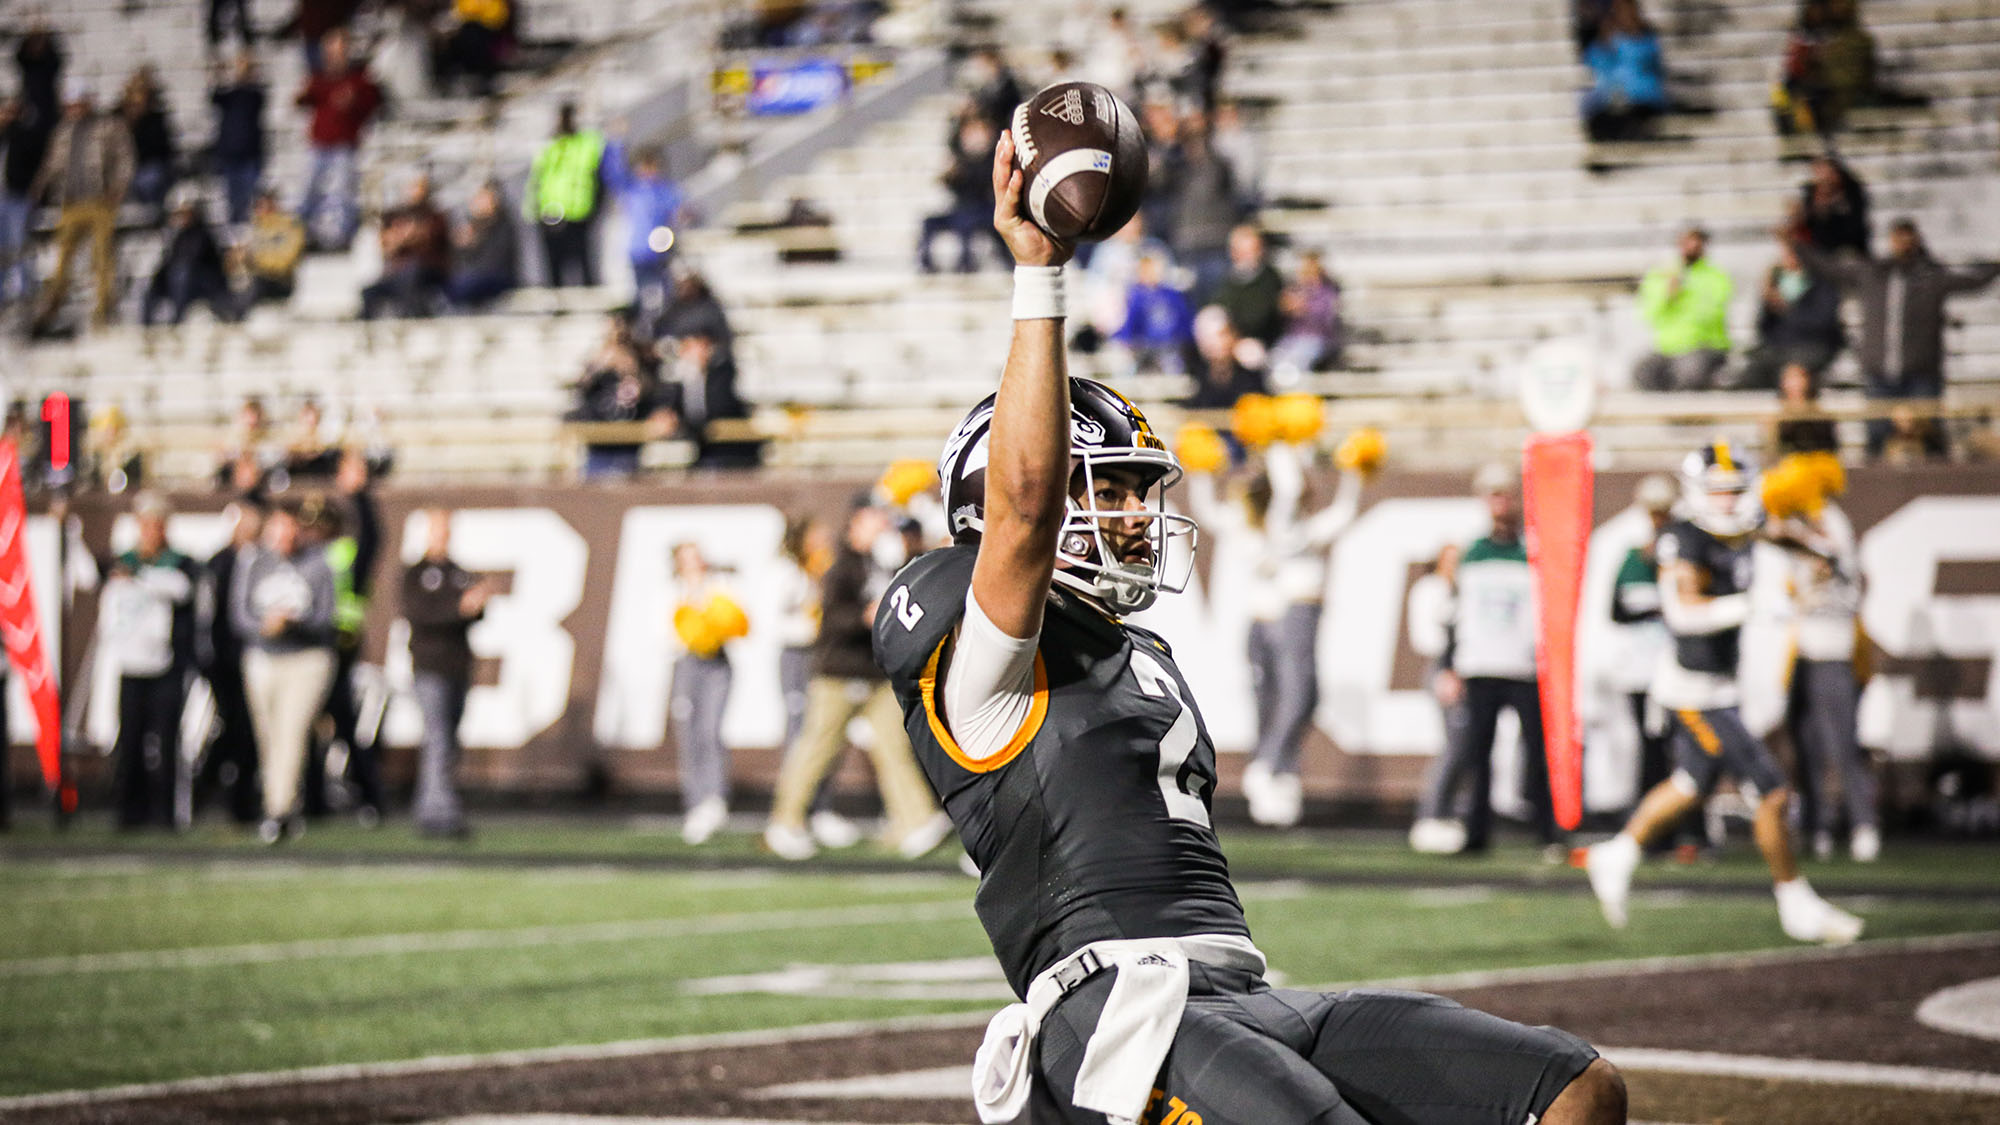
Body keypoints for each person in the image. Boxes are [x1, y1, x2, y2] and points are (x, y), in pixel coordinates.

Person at [873, 129, 1625, 1124]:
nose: (1139, 516)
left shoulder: (1137, 651)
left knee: (1572, 1090)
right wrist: (1040, 279)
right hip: (1113, 1015)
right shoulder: (982, 665)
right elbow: (1022, 509)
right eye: (1112, 493)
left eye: (1144, 492)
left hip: (1241, 993)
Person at [1585, 444, 1864, 945]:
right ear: (1696, 493)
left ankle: (1618, 853)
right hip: (1693, 691)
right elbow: (1684, 614)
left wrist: (1823, 555)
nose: (1729, 501)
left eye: (1735, 490)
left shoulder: (1745, 528)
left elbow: (1795, 541)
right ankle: (1794, 902)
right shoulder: (1682, 538)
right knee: (1773, 792)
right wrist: (1751, 605)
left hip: (1716, 686)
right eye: (1718, 491)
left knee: (1691, 785)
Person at [1188, 439, 1362, 828]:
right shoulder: (1261, 527)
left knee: (1296, 696)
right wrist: (1284, 449)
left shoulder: (1290, 526)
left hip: (1291, 614)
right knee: (1278, 699)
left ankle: (1275, 771)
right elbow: (1274, 499)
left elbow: (1336, 513)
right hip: (1273, 620)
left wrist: (1354, 475)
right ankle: (1268, 768)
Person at [764, 501, 950, 861]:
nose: (880, 526)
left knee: (894, 747)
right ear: (856, 525)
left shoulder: (883, 562)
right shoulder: (840, 565)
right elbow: (831, 620)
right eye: (872, 520)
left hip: (875, 674)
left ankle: (916, 820)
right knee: (817, 749)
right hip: (838, 672)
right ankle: (784, 822)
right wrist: (864, 616)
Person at [1789, 218, 2000, 459]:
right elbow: (1828, 268)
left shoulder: (1931, 276)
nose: (1903, 243)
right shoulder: (1873, 273)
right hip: (1879, 374)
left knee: (1929, 434)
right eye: (1898, 236)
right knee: (1876, 437)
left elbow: (1973, 280)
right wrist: (1798, 244)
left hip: (1921, 373)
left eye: (1908, 236)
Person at [1434, 463, 1559, 853]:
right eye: (1493, 495)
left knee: (1538, 753)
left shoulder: (1533, 550)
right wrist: (1449, 664)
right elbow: (1455, 615)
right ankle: (1477, 833)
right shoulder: (1470, 552)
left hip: (1525, 666)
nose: (1500, 503)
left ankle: (1548, 831)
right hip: (1481, 665)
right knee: (1478, 755)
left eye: (1505, 494)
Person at [1770, 490, 1878, 862]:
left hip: (1835, 659)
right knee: (1806, 750)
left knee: (1842, 746)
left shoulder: (1841, 565)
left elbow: (1843, 598)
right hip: (1801, 661)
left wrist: (1811, 591)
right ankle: (1817, 826)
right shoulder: (1798, 564)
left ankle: (1864, 825)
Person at [233, 500, 339, 843]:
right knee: (269, 737)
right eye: (279, 528)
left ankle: (278, 810)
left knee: (291, 734)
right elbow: (239, 616)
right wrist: (266, 626)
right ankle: (282, 805)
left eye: (291, 528)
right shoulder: (254, 563)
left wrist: (294, 623)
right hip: (263, 658)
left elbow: (327, 618)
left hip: (305, 658)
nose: (285, 535)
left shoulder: (319, 563)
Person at [1605, 475, 1691, 853]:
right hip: (1642, 670)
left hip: (1680, 669)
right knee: (1650, 751)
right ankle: (1651, 834)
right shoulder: (1633, 556)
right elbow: (1616, 611)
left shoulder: (1687, 552)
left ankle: (1688, 833)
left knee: (1684, 752)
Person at [103, 494, 196, 830]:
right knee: (130, 739)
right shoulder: (123, 561)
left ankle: (166, 813)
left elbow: (182, 590)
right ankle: (130, 811)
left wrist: (140, 575)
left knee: (167, 739)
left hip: (166, 663)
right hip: (132, 662)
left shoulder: (179, 562)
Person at [402, 508, 494, 838]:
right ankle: (439, 812)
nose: (441, 536)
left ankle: (432, 805)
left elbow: (474, 616)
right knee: (438, 739)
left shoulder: (459, 572)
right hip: (429, 667)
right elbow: (420, 615)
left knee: (448, 742)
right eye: (436, 530)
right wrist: (460, 609)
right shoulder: (416, 573)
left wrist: (478, 605)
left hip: (457, 666)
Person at [29, 80, 133, 334]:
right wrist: (39, 188)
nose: (74, 109)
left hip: (100, 202)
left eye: (78, 104)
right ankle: (52, 307)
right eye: (70, 105)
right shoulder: (63, 131)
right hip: (70, 203)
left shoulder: (108, 126)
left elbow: (125, 157)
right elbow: (52, 163)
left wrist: (118, 188)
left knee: (101, 257)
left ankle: (104, 309)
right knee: (62, 258)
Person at [667, 542, 745, 845]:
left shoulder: (720, 585)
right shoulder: (671, 591)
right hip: (686, 662)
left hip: (716, 661)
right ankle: (695, 800)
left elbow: (737, 622)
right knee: (689, 732)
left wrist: (710, 622)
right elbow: (665, 631)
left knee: (710, 729)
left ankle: (715, 798)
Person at [194, 500, 264, 825]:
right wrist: (207, 657)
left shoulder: (263, 560)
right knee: (232, 727)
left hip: (254, 658)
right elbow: (208, 616)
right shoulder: (219, 563)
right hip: (224, 660)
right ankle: (205, 787)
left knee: (249, 732)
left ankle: (241, 802)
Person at [295, 29, 382, 251]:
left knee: (343, 192)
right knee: (309, 189)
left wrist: (353, 100)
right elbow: (302, 101)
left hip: (345, 143)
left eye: (339, 48)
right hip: (320, 143)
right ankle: (300, 234)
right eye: (331, 49)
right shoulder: (319, 76)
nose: (335, 53)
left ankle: (342, 237)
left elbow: (372, 102)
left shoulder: (358, 78)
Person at [567, 315, 672, 479]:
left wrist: (630, 368)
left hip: (628, 449)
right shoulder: (597, 368)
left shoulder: (639, 366)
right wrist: (598, 367)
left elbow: (650, 394)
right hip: (599, 446)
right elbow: (581, 392)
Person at [1633, 226, 1732, 391]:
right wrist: (1668, 295)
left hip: (1704, 347)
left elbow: (1711, 314)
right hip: (1667, 349)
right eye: (1688, 241)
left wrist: (1685, 294)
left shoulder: (1716, 276)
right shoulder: (1661, 274)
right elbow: (1648, 313)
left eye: (1697, 241)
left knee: (1690, 372)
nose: (1692, 246)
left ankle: (1686, 413)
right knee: (1642, 371)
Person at [1740, 238, 1843, 390]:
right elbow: (1764, 330)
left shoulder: (1822, 287)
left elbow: (1822, 323)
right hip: (1780, 348)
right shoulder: (1778, 286)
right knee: (1751, 372)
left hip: (1813, 347)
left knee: (1793, 373)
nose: (1787, 261)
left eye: (1791, 256)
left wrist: (1788, 309)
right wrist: (1767, 305)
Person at [600, 137, 685, 317]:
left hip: (661, 251)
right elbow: (612, 173)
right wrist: (617, 142)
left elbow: (683, 209)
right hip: (638, 250)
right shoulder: (632, 189)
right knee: (639, 295)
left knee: (666, 295)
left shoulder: (665, 190)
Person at [525, 102, 604, 287]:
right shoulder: (550, 146)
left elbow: (598, 178)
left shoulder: (587, 144)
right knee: (554, 266)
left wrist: (594, 209)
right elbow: (537, 180)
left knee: (582, 261)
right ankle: (557, 305)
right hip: (551, 212)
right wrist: (535, 210)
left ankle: (588, 298)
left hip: (579, 212)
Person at [918, 111, 1005, 274]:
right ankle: (926, 263)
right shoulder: (960, 158)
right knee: (929, 222)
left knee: (966, 223)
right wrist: (948, 177)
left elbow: (985, 183)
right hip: (960, 210)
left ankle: (965, 264)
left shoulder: (992, 158)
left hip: (984, 210)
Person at [360, 175, 451, 319]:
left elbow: (426, 238)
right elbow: (385, 243)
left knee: (412, 274)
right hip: (399, 271)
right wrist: (402, 238)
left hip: (428, 270)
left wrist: (404, 237)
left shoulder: (435, 215)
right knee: (369, 291)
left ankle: (412, 319)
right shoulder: (396, 214)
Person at [141, 195, 241, 326]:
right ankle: (146, 324)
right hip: (179, 279)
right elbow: (170, 260)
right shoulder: (179, 236)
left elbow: (199, 261)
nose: (180, 218)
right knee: (155, 283)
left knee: (181, 274)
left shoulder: (204, 234)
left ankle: (178, 318)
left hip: (203, 281)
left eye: (184, 214)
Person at [1580, 0, 1665, 141]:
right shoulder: (1613, 38)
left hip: (1645, 100)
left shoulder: (1647, 38)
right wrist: (1603, 43)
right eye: (1619, 12)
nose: (1623, 15)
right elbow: (1596, 63)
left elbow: (1648, 63)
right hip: (1619, 101)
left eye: (1626, 11)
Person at [1111, 249, 1194, 375]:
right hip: (1142, 347)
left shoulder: (1172, 294)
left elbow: (1184, 321)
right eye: (1146, 269)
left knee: (1174, 367)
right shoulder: (1135, 295)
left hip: (1170, 346)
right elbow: (1130, 324)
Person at [209, 53, 267, 225]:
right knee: (232, 197)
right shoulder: (229, 96)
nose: (241, 73)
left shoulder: (254, 95)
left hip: (250, 153)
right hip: (230, 153)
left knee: (251, 196)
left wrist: (248, 74)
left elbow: (258, 98)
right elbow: (215, 97)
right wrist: (219, 75)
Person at [0, 94, 45, 308]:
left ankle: (24, 293)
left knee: (19, 246)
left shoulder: (24, 136)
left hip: (17, 198)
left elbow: (38, 165)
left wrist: (34, 191)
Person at [445, 181, 518, 310]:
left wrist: (475, 239)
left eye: (483, 198)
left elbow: (498, 257)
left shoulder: (504, 223)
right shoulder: (472, 224)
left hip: (497, 276)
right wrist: (462, 244)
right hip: (475, 275)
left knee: (466, 285)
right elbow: (461, 258)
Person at [1182, 305, 1267, 408]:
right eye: (1205, 337)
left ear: (1234, 334)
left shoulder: (1250, 371)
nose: (1212, 343)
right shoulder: (1195, 374)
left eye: (1220, 335)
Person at [1272, 249, 1342, 373]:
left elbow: (1327, 318)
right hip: (1292, 337)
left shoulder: (1327, 291)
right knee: (1275, 359)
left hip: (1317, 338)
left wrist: (1305, 308)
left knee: (1300, 360)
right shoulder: (1294, 288)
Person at [118, 68, 177, 214]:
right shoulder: (118, 117)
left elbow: (160, 147)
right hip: (124, 166)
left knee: (149, 180)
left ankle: (153, 216)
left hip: (147, 165)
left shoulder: (156, 119)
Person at [1792, 155, 1869, 256]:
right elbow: (1806, 223)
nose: (1823, 178)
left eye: (1826, 172)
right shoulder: (1812, 194)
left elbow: (1854, 224)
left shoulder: (1851, 193)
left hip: (1848, 249)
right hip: (1820, 250)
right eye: (1818, 172)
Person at [241, 188, 306, 305]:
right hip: (259, 280)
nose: (258, 209)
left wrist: (257, 261)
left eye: (261, 205)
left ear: (272, 204)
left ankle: (235, 315)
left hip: (281, 281)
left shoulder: (290, 226)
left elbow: (286, 260)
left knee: (253, 286)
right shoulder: (255, 228)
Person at [1771, 362, 1839, 456]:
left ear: (1808, 381)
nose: (1795, 383)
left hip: (1819, 463)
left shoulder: (1821, 415)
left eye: (1798, 378)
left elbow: (1831, 447)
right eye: (1790, 379)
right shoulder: (1775, 419)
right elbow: (1775, 451)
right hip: (1790, 465)